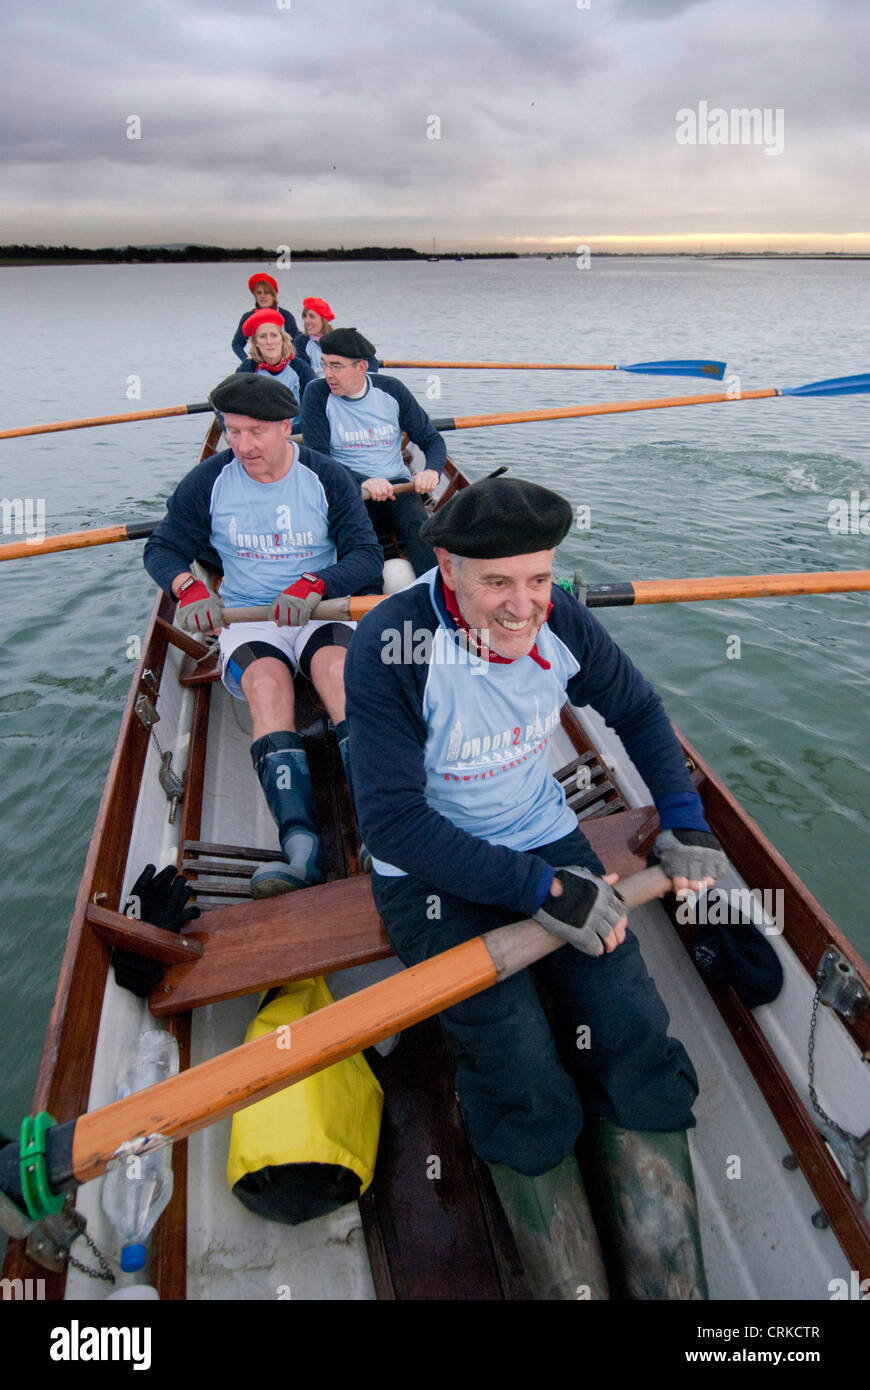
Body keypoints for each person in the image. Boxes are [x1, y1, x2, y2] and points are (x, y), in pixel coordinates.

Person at [344, 476, 727, 1297]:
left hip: (539, 835)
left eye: (540, 579)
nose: (524, 608)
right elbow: (391, 826)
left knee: (629, 1021)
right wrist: (545, 892)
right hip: (430, 874)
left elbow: (641, 712)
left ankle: (671, 1281)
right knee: (515, 1062)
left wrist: (686, 817)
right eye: (498, 584)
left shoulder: (564, 622)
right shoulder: (391, 645)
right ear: (445, 567)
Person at [143, 373, 382, 898]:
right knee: (267, 690)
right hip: (248, 617)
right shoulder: (207, 481)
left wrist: (316, 581)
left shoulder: (327, 477)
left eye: (256, 432)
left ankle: (379, 826)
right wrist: (187, 588)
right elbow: (161, 548)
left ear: (286, 426)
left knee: (339, 676)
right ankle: (300, 847)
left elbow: (367, 556)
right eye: (231, 432)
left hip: (319, 608)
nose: (243, 446)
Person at [297, 327, 445, 577]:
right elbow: (319, 460)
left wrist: (432, 470)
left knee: (420, 527)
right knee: (357, 541)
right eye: (324, 365)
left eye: (336, 366)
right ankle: (367, 597)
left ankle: (430, 593)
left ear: (362, 367)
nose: (328, 374)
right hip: (346, 488)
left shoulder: (392, 390)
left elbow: (432, 440)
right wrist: (364, 481)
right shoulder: (317, 393)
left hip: (398, 485)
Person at [236, 308, 315, 407]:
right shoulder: (248, 368)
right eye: (263, 336)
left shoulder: (300, 368)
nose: (269, 342)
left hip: (294, 422)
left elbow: (314, 403)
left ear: (282, 339)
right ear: (255, 343)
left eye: (274, 335)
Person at [294, 298, 378, 377]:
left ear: (323, 319)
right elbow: (304, 372)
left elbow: (371, 359)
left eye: (312, 316)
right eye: (304, 316)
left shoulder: (341, 337)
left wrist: (365, 379)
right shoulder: (301, 342)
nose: (307, 321)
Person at [231, 273, 299, 363]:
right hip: (259, 364)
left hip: (285, 364)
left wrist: (291, 361)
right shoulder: (247, 317)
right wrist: (246, 360)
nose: (263, 296)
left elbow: (297, 343)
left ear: (274, 295)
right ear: (255, 295)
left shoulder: (286, 315)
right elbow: (237, 344)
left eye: (266, 293)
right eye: (259, 293)